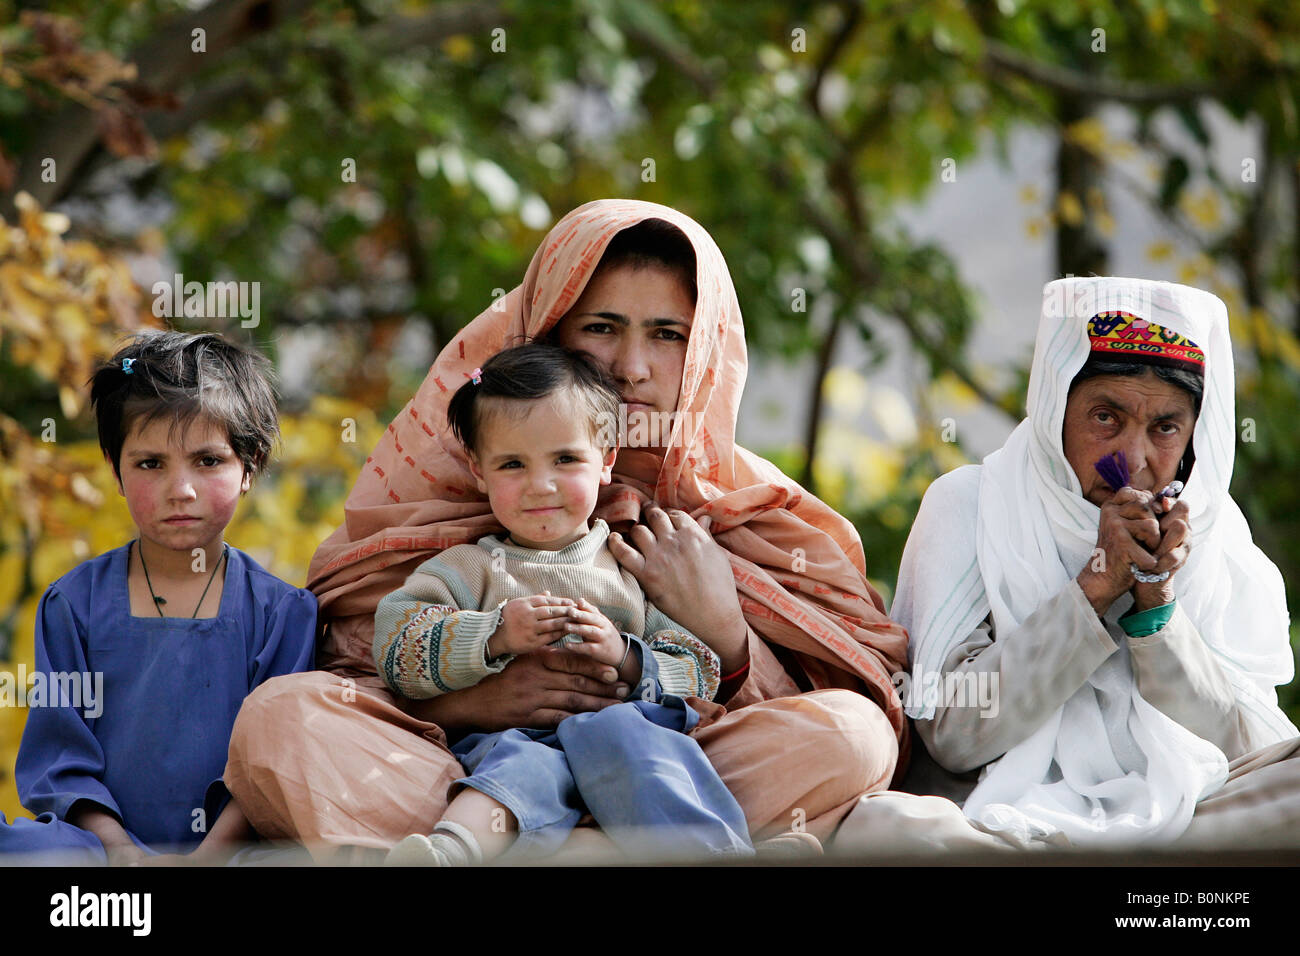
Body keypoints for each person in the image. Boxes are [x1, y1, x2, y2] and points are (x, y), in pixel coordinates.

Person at [225, 199, 908, 862]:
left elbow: (842, 677)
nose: (630, 366)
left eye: (667, 334)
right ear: (549, 328)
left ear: (704, 347)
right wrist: (478, 696)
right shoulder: (448, 473)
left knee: (854, 733)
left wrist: (726, 632)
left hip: (673, 769)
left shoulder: (752, 506)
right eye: (602, 328)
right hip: (468, 775)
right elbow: (358, 657)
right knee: (282, 718)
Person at [853, 277, 1300, 851]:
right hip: (1002, 821)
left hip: (1191, 813)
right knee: (887, 829)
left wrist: (1156, 611)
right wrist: (1094, 587)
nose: (1134, 460)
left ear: (1192, 438)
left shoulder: (1216, 539)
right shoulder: (972, 504)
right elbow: (952, 734)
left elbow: (1246, 752)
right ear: (1053, 411)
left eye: (1165, 427)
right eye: (1106, 418)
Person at [378, 344, 751, 864]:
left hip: (626, 741)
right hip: (516, 740)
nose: (541, 485)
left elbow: (699, 667)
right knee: (515, 769)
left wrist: (625, 654)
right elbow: (397, 650)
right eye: (512, 464)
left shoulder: (631, 568)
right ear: (479, 472)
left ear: (606, 460)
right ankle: (447, 852)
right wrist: (493, 634)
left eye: (566, 458)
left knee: (638, 744)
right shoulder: (468, 567)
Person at [0, 330, 318, 864]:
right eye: (150, 463)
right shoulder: (74, 604)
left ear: (250, 465)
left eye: (208, 461)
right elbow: (61, 759)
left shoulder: (282, 613)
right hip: (97, 849)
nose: (181, 489)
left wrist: (206, 858)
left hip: (238, 849)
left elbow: (272, 763)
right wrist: (124, 852)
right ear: (115, 469)